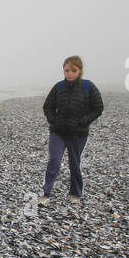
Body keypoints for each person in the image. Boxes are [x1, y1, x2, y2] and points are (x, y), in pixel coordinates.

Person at [41, 55, 104, 203]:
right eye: (67, 70)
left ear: (80, 71)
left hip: (78, 134)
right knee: (54, 160)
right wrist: (53, 120)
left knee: (74, 163)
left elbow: (98, 108)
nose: (69, 73)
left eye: (73, 70)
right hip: (58, 132)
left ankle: (75, 193)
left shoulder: (88, 87)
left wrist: (83, 122)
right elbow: (48, 106)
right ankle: (46, 192)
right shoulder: (59, 87)